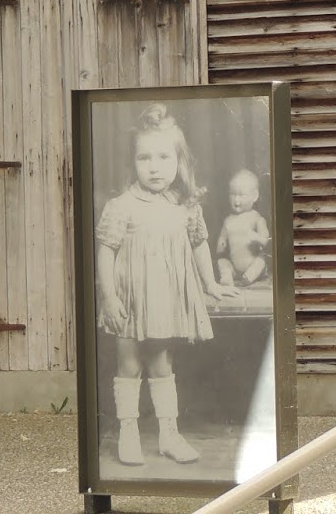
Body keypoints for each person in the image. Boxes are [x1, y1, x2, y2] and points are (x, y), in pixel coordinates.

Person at [96, 103, 235, 467]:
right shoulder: (121, 206)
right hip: (127, 301)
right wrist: (109, 297)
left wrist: (212, 283)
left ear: (179, 160)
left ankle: (169, 435)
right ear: (133, 163)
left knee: (161, 365)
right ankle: (128, 434)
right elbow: (105, 253)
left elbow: (199, 243)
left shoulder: (186, 206)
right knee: (129, 366)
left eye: (163, 157)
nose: (154, 166)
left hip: (164, 303)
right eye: (144, 158)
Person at [215, 169, 271, 286]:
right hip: (235, 266)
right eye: (233, 194)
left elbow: (265, 241)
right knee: (222, 262)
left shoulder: (256, 218)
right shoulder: (228, 221)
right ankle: (227, 277)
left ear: (254, 196)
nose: (236, 200)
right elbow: (222, 242)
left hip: (253, 264)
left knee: (260, 262)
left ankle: (248, 277)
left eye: (241, 195)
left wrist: (256, 237)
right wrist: (221, 244)